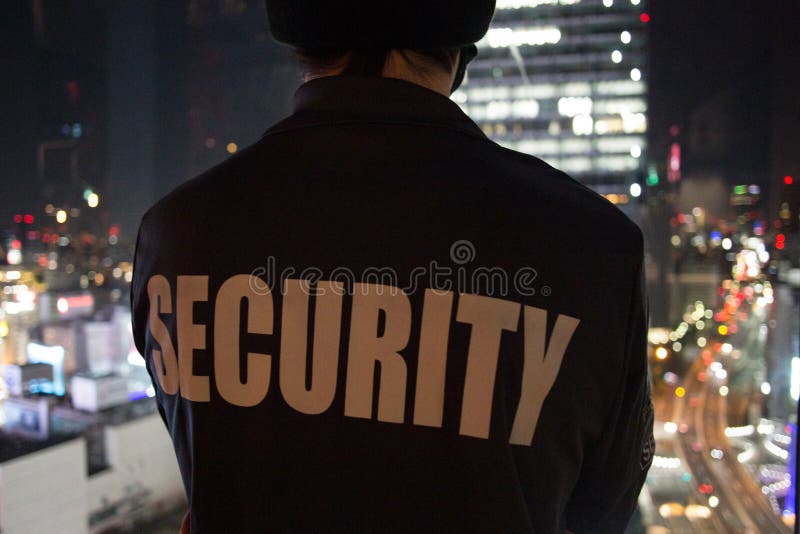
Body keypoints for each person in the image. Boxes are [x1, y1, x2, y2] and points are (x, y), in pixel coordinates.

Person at [131, 1, 654, 532]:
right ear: (461, 49)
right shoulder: (595, 248)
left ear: (296, 37)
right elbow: (601, 512)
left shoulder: (176, 236)